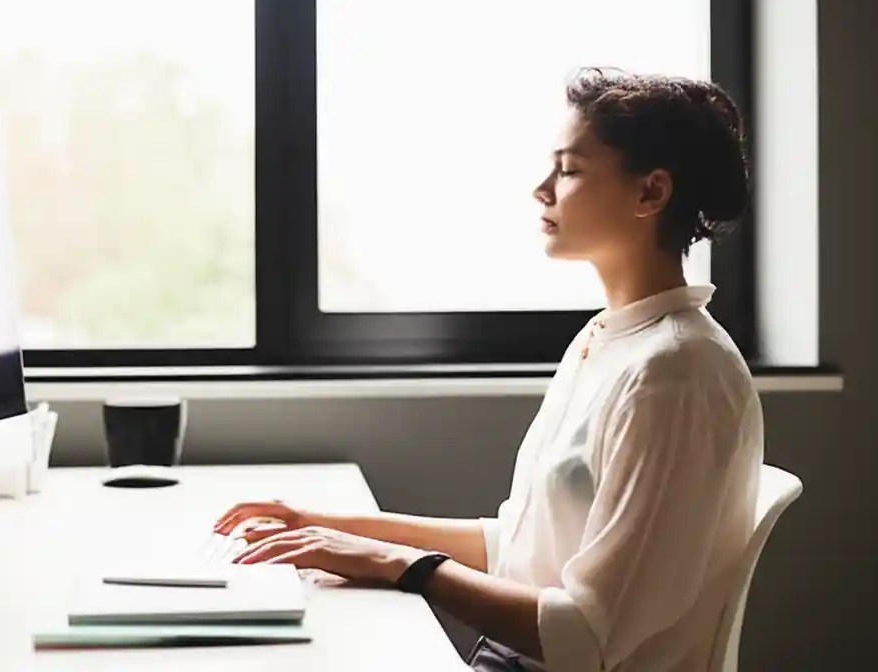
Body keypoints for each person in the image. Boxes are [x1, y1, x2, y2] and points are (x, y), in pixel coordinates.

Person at [214, 68, 763, 672]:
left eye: (571, 170)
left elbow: (585, 639)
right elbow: (515, 546)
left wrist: (393, 564)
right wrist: (320, 527)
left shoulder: (676, 374)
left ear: (650, 194)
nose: (542, 189)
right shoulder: (611, 341)